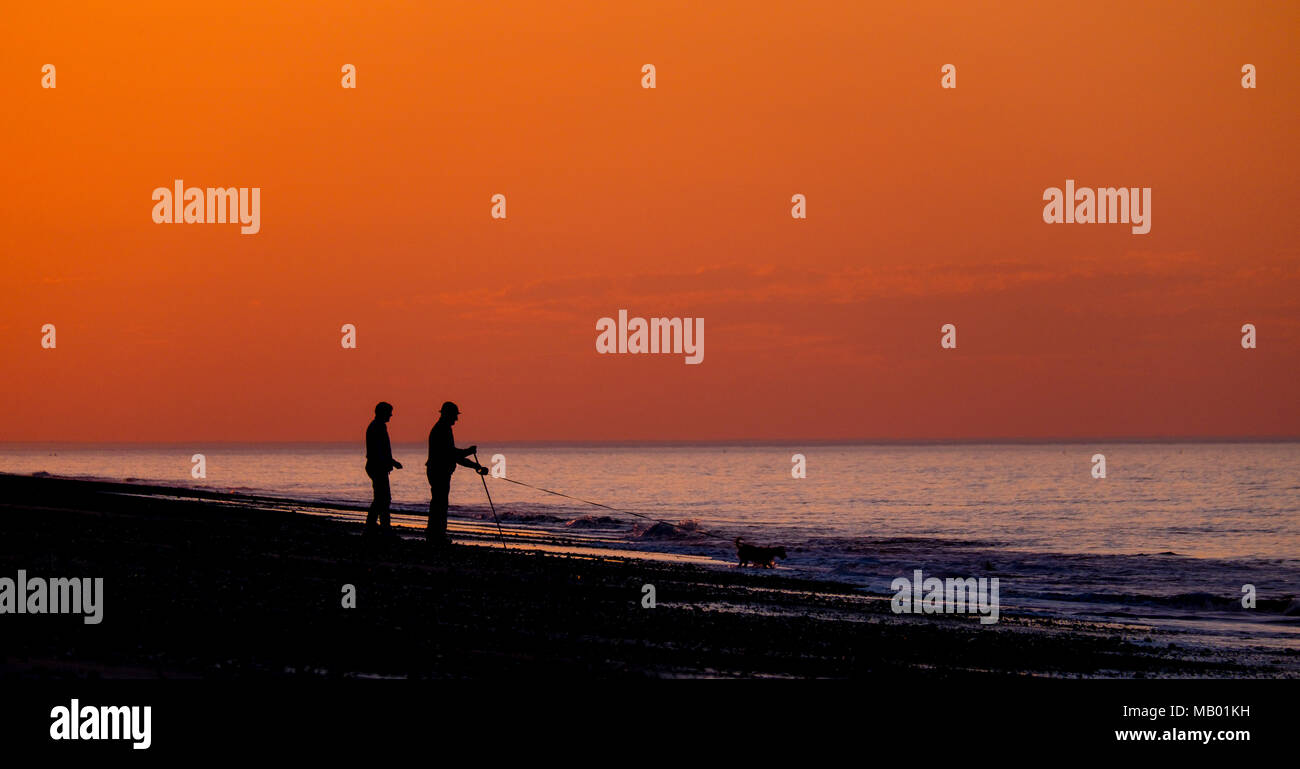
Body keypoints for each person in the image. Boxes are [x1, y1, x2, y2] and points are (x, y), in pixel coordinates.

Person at [425, 401, 487, 546]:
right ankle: (437, 536)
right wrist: (469, 454)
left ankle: (435, 534)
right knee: (440, 503)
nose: (456, 419)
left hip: (439, 471)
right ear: (448, 414)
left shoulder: (443, 428)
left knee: (439, 503)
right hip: (439, 471)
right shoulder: (442, 429)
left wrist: (475, 466)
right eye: (454, 415)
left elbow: (453, 455)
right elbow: (451, 454)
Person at [364, 402, 402, 537]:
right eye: (389, 412)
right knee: (383, 499)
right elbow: (379, 451)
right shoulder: (377, 427)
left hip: (377, 466)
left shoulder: (378, 426)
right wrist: (389, 463)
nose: (391, 415)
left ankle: (374, 526)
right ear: (382, 413)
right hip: (377, 467)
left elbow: (381, 451)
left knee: (381, 498)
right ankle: (381, 528)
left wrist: (392, 462)